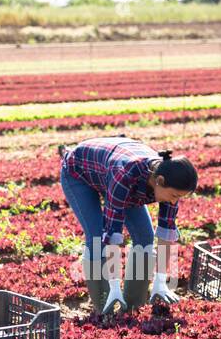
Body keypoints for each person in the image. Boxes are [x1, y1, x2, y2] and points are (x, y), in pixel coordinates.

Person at [59, 135, 198, 315]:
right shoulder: (124, 175)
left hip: (111, 170)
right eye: (174, 196)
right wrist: (115, 285)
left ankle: (133, 306)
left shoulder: (169, 186)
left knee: (145, 237)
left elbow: (166, 233)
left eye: (179, 197)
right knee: (96, 237)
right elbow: (112, 233)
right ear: (160, 181)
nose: (174, 201)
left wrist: (160, 281)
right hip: (80, 171)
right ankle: (104, 306)